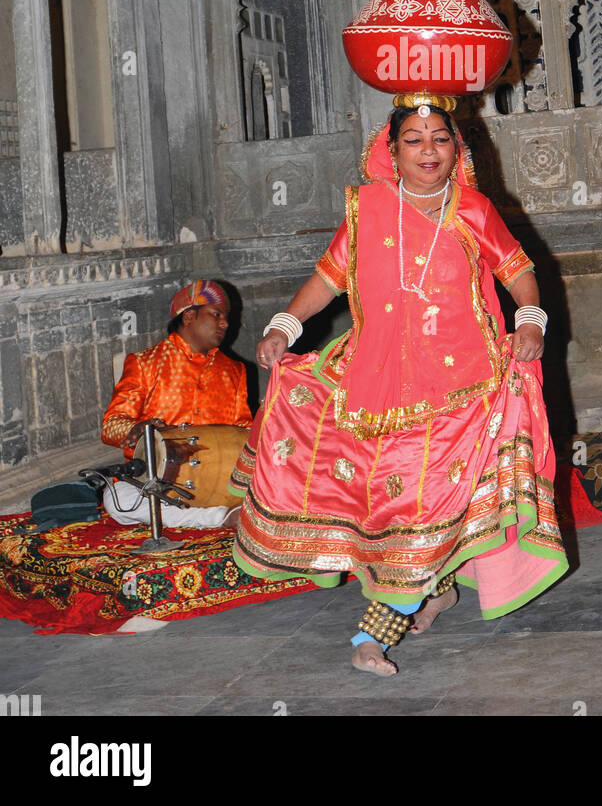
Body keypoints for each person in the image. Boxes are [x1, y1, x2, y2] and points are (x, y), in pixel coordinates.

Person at [230, 99, 567, 675]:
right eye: (414, 140)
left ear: (456, 149)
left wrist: (530, 319)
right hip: (377, 382)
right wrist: (285, 327)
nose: (428, 151)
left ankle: (372, 634)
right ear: (391, 153)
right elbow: (328, 277)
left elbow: (517, 269)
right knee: (389, 500)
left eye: (440, 139)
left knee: (423, 502)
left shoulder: (474, 208)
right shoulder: (368, 209)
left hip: (465, 384)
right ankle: (438, 588)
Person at [100, 280, 252, 529]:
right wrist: (136, 430)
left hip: (220, 481)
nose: (225, 324)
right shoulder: (144, 364)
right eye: (216, 315)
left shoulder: (234, 371)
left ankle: (216, 511)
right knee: (117, 500)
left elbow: (244, 432)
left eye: (226, 317)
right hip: (158, 482)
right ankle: (219, 518)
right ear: (189, 316)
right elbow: (110, 425)